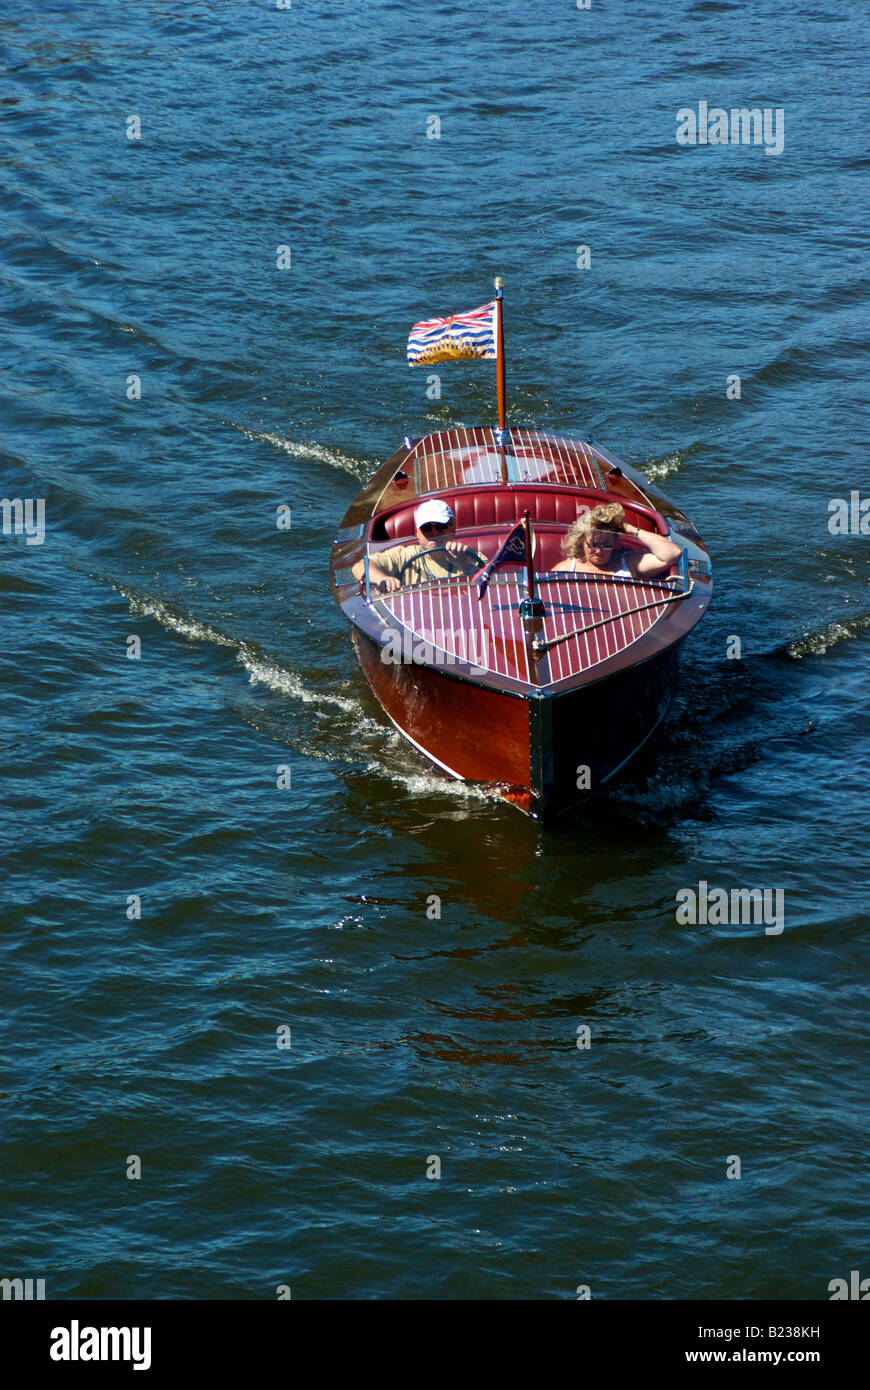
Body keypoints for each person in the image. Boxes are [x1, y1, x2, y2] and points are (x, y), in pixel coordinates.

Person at [353, 499, 485, 592]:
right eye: (427, 528)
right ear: (418, 532)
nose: (434, 533)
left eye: (441, 527)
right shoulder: (403, 555)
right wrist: (383, 579)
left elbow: (490, 585)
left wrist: (465, 564)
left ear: (452, 529)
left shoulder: (471, 556)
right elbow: (359, 567)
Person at [553, 501, 682, 579]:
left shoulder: (630, 563)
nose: (599, 551)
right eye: (593, 545)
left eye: (606, 545)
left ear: (614, 543)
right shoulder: (566, 569)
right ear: (582, 541)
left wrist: (631, 529)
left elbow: (673, 554)